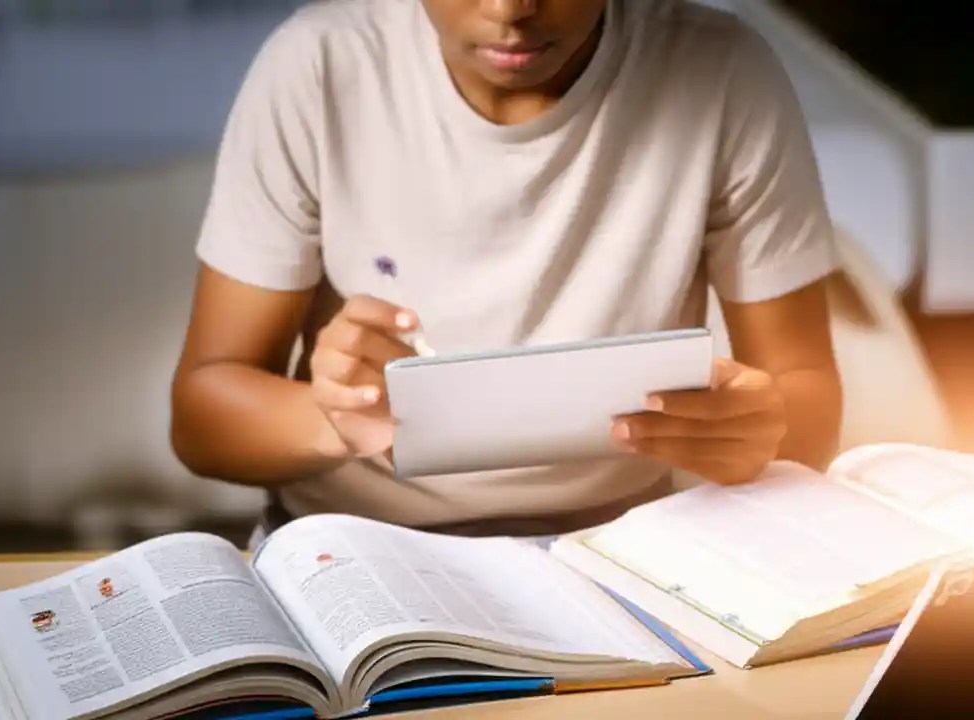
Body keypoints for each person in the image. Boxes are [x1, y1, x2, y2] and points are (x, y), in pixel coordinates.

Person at [169, 0, 843, 541]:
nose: (512, 9)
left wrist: (762, 431)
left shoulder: (719, 68)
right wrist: (332, 418)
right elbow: (201, 418)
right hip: (353, 543)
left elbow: (805, 389)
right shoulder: (318, 62)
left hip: (618, 545)